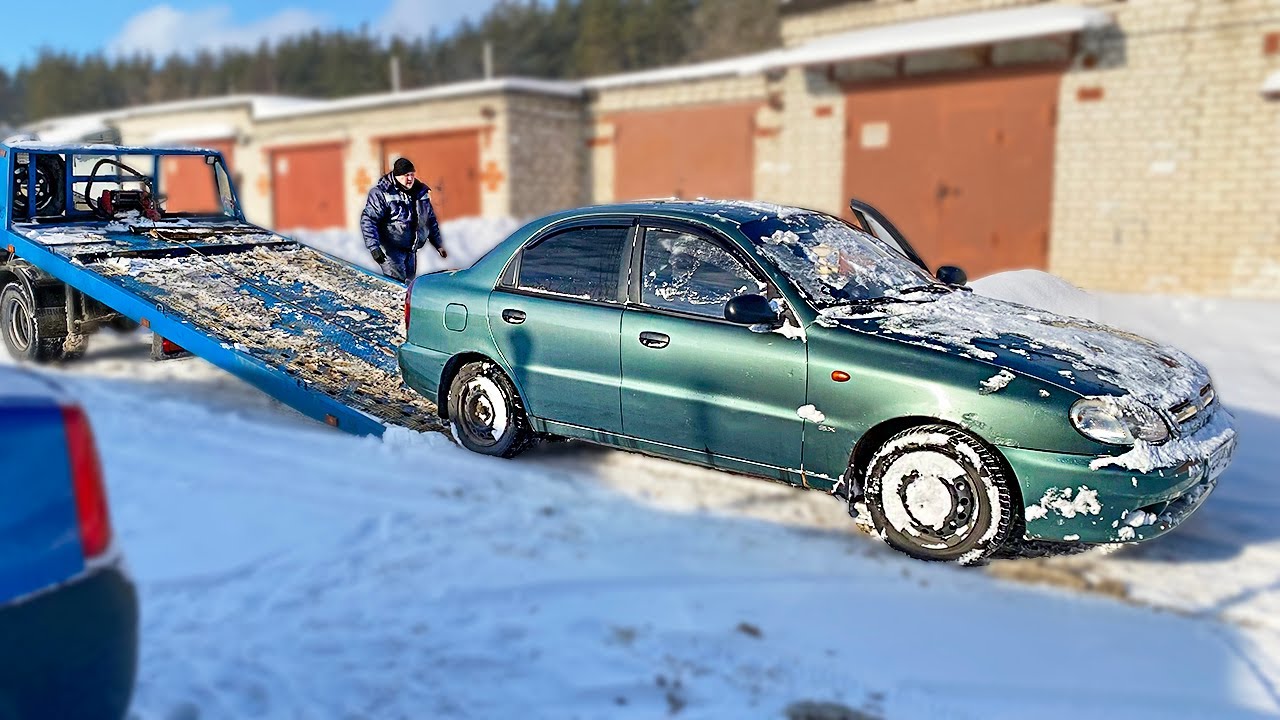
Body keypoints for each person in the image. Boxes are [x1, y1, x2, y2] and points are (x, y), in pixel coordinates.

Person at [360, 157, 446, 282]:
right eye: (406, 175)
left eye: (412, 174)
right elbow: (369, 219)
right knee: (397, 285)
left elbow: (430, 220)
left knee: (408, 286)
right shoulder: (382, 193)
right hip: (391, 251)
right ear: (397, 175)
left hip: (411, 250)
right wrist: (374, 247)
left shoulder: (420, 192)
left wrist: (438, 244)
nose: (410, 178)